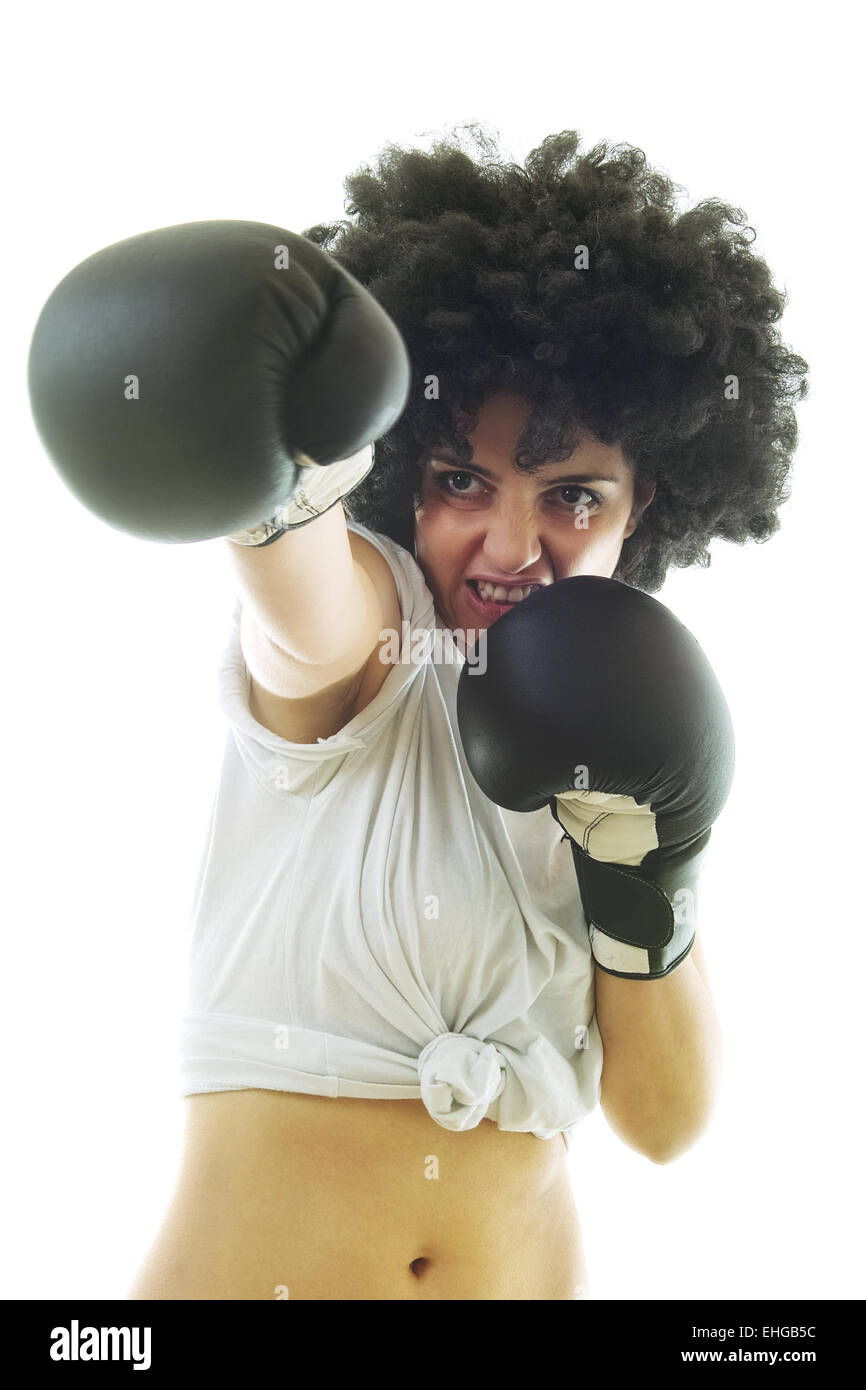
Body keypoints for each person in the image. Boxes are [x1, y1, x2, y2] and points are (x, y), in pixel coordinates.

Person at [27, 126, 808, 1301]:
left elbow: (662, 1126)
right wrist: (287, 490)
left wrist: (651, 859)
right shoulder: (373, 638)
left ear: (644, 503)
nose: (507, 546)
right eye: (460, 481)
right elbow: (306, 615)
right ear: (396, 473)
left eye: (571, 495)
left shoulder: (614, 743)